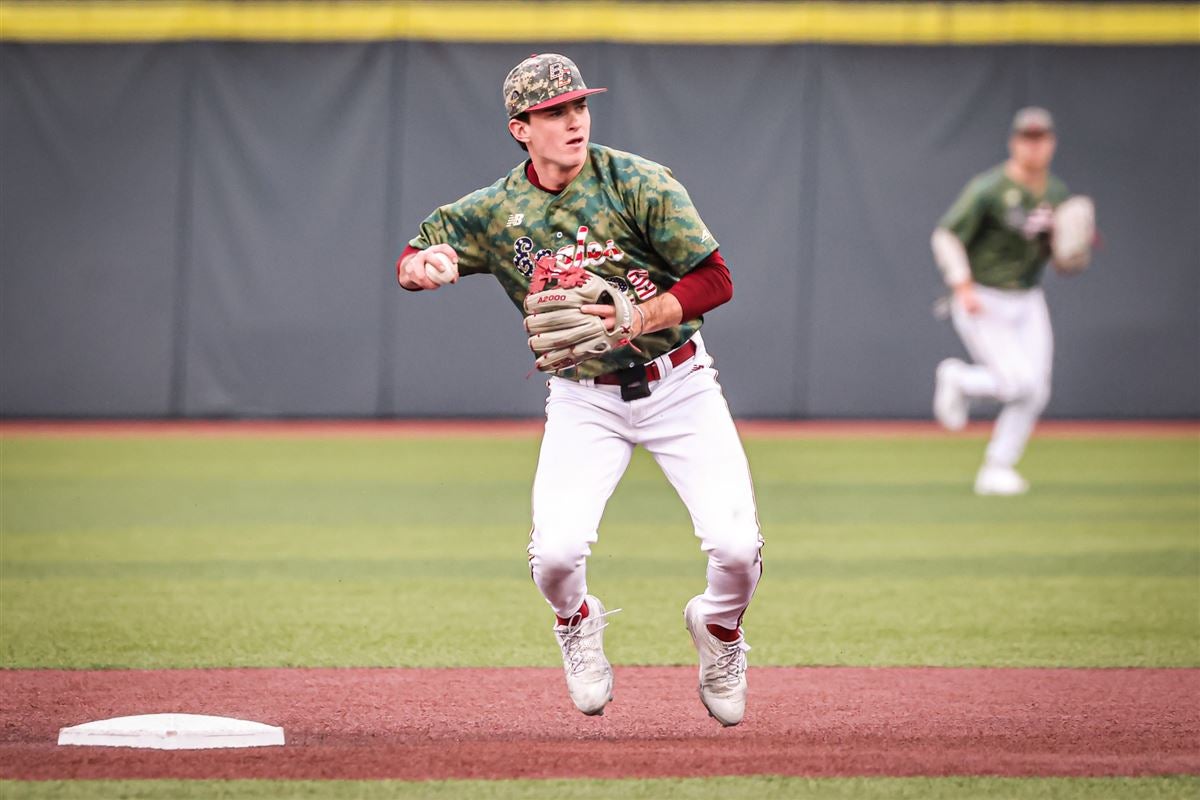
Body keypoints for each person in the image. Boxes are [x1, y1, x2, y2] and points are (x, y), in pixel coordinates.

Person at [395, 54, 763, 726]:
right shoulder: (497, 212)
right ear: (520, 129)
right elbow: (423, 248)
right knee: (556, 558)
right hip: (583, 397)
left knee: (737, 551)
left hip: (678, 382)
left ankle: (717, 628)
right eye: (553, 112)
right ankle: (577, 620)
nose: (573, 120)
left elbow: (716, 280)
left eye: (578, 106)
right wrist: (422, 266)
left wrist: (642, 315)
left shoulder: (638, 182)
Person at [931, 107, 1082, 495]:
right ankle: (958, 378)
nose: (1034, 146)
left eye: (1041, 138)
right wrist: (961, 283)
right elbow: (946, 235)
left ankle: (996, 467)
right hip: (984, 295)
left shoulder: (1056, 192)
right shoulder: (990, 188)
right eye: (1027, 138)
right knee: (1018, 382)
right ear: (1015, 143)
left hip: (1027, 298)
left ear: (1052, 143)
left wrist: (1071, 248)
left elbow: (1063, 259)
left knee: (1037, 390)